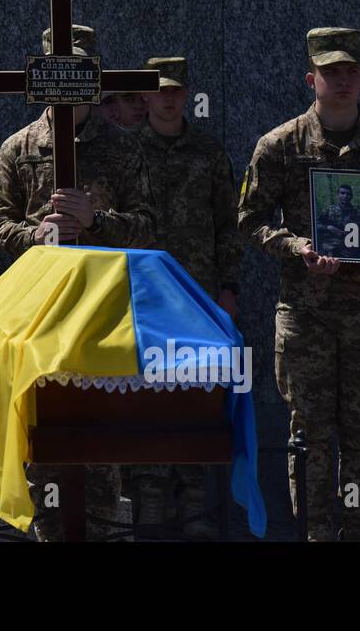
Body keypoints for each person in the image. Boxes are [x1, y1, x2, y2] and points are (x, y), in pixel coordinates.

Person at [239, 28, 360, 541]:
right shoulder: (279, 147)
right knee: (310, 436)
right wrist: (296, 247)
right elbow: (251, 219)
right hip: (306, 314)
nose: (342, 81)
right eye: (331, 72)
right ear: (312, 79)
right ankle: (317, 535)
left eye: (350, 71)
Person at [0, 23, 156, 541]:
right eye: (56, 73)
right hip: (38, 316)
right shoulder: (18, 148)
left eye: (78, 72)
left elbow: (149, 226)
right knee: (42, 444)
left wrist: (97, 220)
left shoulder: (124, 151)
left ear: (95, 79)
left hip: (101, 317)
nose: (66, 85)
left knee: (99, 452)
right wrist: (35, 236)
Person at [127, 56, 243, 539]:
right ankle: (150, 503)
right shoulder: (128, 153)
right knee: (149, 397)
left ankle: (194, 504)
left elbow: (227, 226)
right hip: (148, 297)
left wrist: (229, 289)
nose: (169, 99)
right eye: (160, 91)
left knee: (195, 395)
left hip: (197, 296)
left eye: (176, 90)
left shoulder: (209, 153)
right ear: (146, 98)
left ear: (186, 95)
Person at [315, 184, 360, 259]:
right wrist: (328, 228)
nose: (345, 196)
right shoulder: (329, 211)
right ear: (338, 195)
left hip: (352, 252)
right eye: (342, 193)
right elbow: (316, 225)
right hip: (332, 252)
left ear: (351, 196)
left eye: (348, 194)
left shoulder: (357, 212)